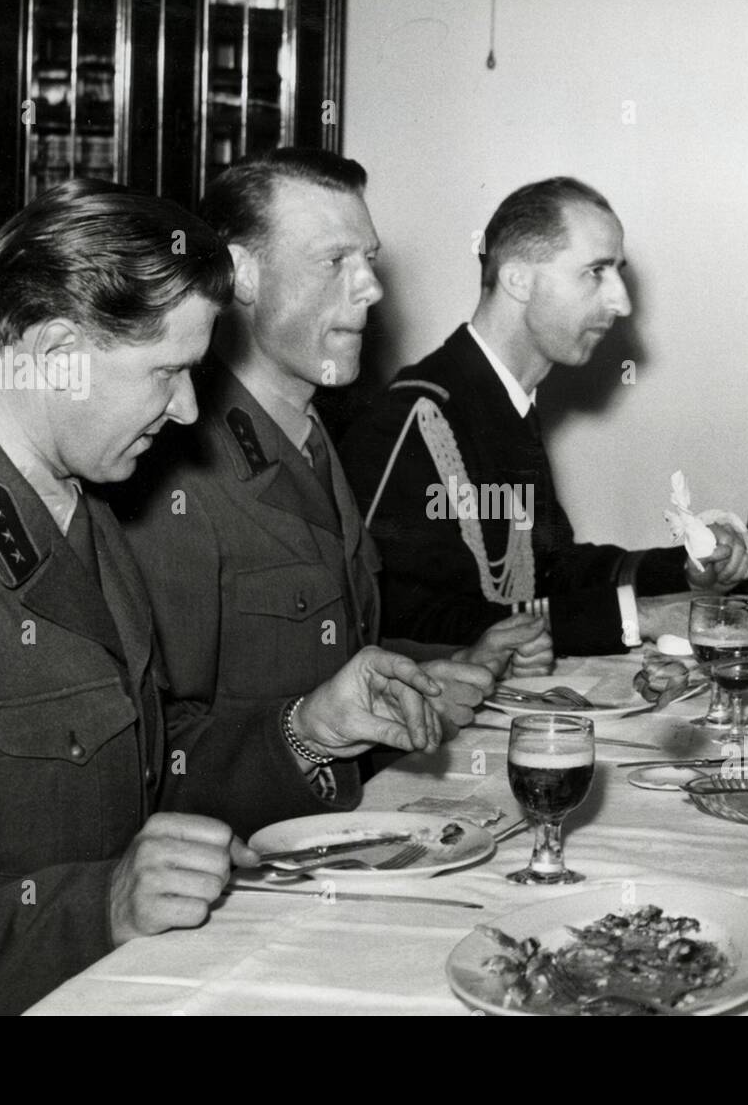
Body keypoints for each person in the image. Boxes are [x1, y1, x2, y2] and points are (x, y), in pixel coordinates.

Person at [0, 179, 465, 1015]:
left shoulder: (81, 493)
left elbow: (137, 772)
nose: (187, 408)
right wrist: (95, 909)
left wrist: (305, 729)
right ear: (56, 352)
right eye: (167, 372)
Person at [109, 152, 551, 772]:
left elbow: (333, 651)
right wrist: (309, 737)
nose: (371, 286)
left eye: (368, 259)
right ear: (242, 275)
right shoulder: (177, 480)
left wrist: (438, 667)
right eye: (334, 260)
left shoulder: (313, 436)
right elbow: (158, 753)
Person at [339, 177, 748, 655]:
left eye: (618, 272)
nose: (621, 302)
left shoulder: (506, 402)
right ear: (518, 279)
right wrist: (640, 617)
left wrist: (686, 567)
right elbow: (398, 620)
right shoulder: (418, 416)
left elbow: (550, 571)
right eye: (596, 272)